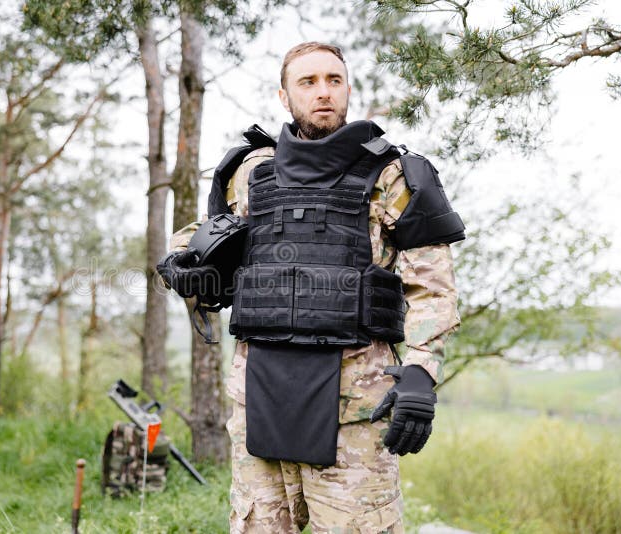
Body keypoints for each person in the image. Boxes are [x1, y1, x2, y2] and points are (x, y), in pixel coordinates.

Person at [158, 42, 463, 533]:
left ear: (347, 89)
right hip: (258, 398)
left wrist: (422, 375)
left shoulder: (391, 176)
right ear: (285, 95)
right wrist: (180, 263)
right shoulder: (252, 173)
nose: (323, 92)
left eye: (333, 80)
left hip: (355, 409)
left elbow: (432, 287)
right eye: (308, 82)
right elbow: (206, 235)